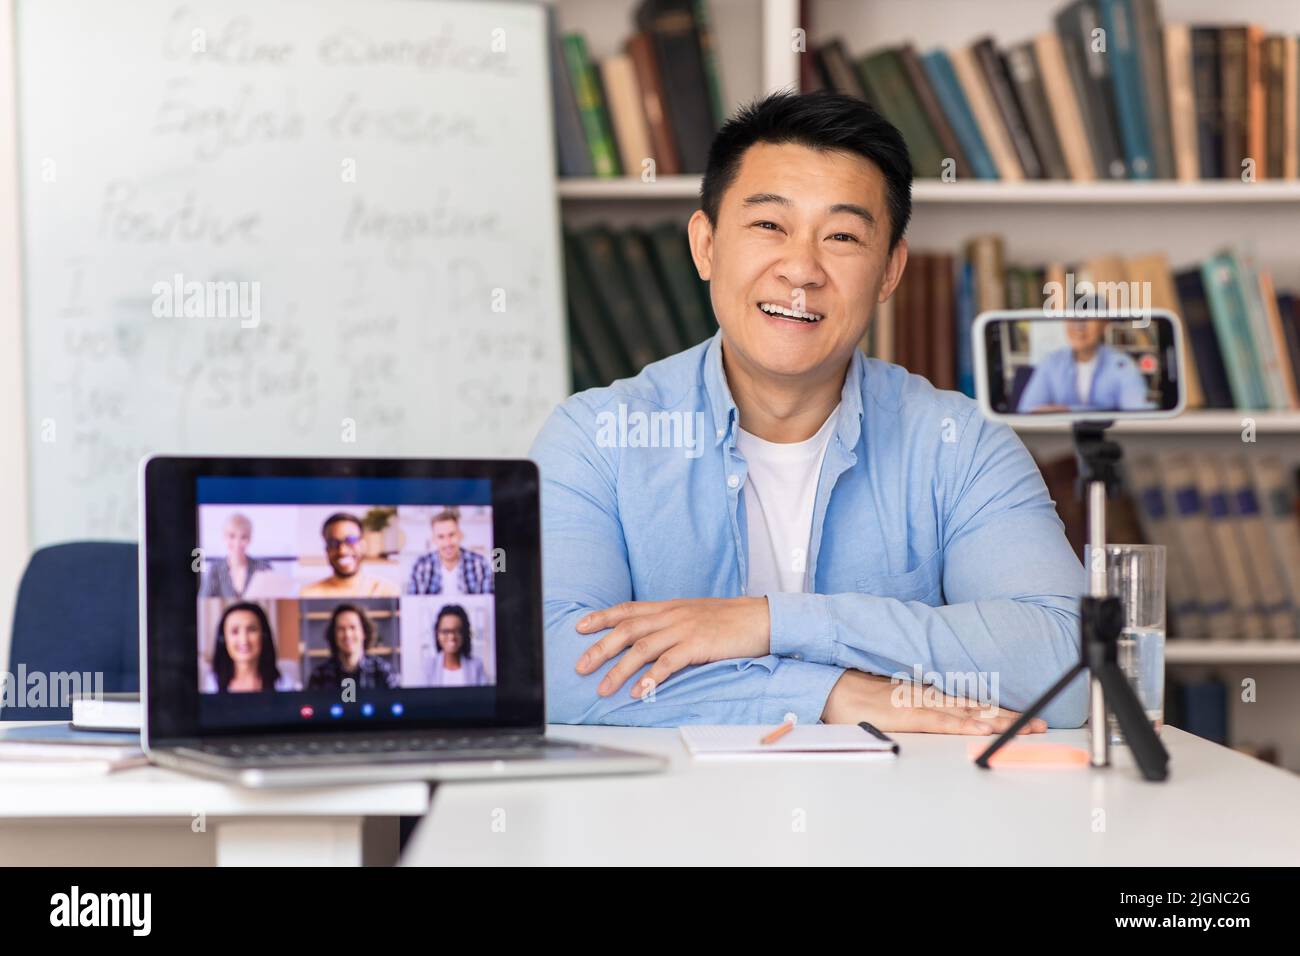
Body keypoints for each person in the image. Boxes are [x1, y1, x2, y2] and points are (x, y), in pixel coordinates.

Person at [530, 91, 1087, 733]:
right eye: (770, 225)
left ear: (889, 271)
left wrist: (772, 622)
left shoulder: (959, 444)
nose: (800, 270)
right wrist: (830, 694)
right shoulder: (597, 439)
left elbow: (1069, 667)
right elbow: (550, 668)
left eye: (842, 236)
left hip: (902, 797)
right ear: (706, 246)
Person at [1016, 319, 1153, 413]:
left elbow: (1140, 411)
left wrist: (1068, 410)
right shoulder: (1051, 362)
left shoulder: (1122, 364)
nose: (1079, 327)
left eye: (1087, 318)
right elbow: (1027, 411)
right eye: (1073, 318)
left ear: (1104, 323)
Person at [206, 602, 299, 693]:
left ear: (264, 636)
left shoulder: (285, 685)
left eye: (251, 630)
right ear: (223, 639)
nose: (244, 640)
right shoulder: (212, 684)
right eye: (235, 631)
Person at [302, 512, 399, 598]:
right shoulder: (308, 595)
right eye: (333, 543)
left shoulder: (388, 592)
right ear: (326, 550)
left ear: (363, 545)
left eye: (351, 540)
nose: (342, 551)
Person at [307, 603, 397, 690]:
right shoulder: (320, 676)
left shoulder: (383, 671)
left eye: (353, 627)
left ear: (364, 632)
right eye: (341, 629)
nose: (347, 634)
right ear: (333, 635)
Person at [405, 508, 493, 595]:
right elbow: (412, 602)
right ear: (434, 539)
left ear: (460, 535)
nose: (447, 543)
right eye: (441, 537)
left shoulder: (479, 564)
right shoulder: (421, 565)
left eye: (451, 535)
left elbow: (489, 601)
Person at [200, 513, 273, 598]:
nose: (237, 543)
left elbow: (273, 600)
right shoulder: (215, 570)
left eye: (243, 537)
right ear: (224, 537)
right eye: (232, 536)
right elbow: (203, 602)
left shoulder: (263, 568)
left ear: (249, 539)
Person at [424, 604, 489, 687]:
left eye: (458, 631)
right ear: (437, 634)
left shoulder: (476, 666)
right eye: (445, 631)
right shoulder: (428, 667)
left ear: (465, 633)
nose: (452, 637)